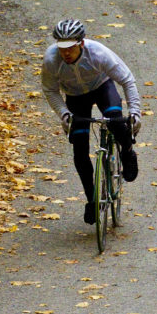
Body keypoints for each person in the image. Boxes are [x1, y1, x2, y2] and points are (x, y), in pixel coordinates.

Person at [41, 18, 142, 225]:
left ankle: (128, 151)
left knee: (115, 120)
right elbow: (50, 90)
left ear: (81, 44)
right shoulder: (51, 60)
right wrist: (63, 113)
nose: (66, 53)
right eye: (62, 48)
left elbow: (127, 80)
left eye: (70, 47)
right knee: (79, 148)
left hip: (102, 88)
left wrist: (135, 112)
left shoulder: (97, 53)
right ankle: (92, 201)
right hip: (75, 97)